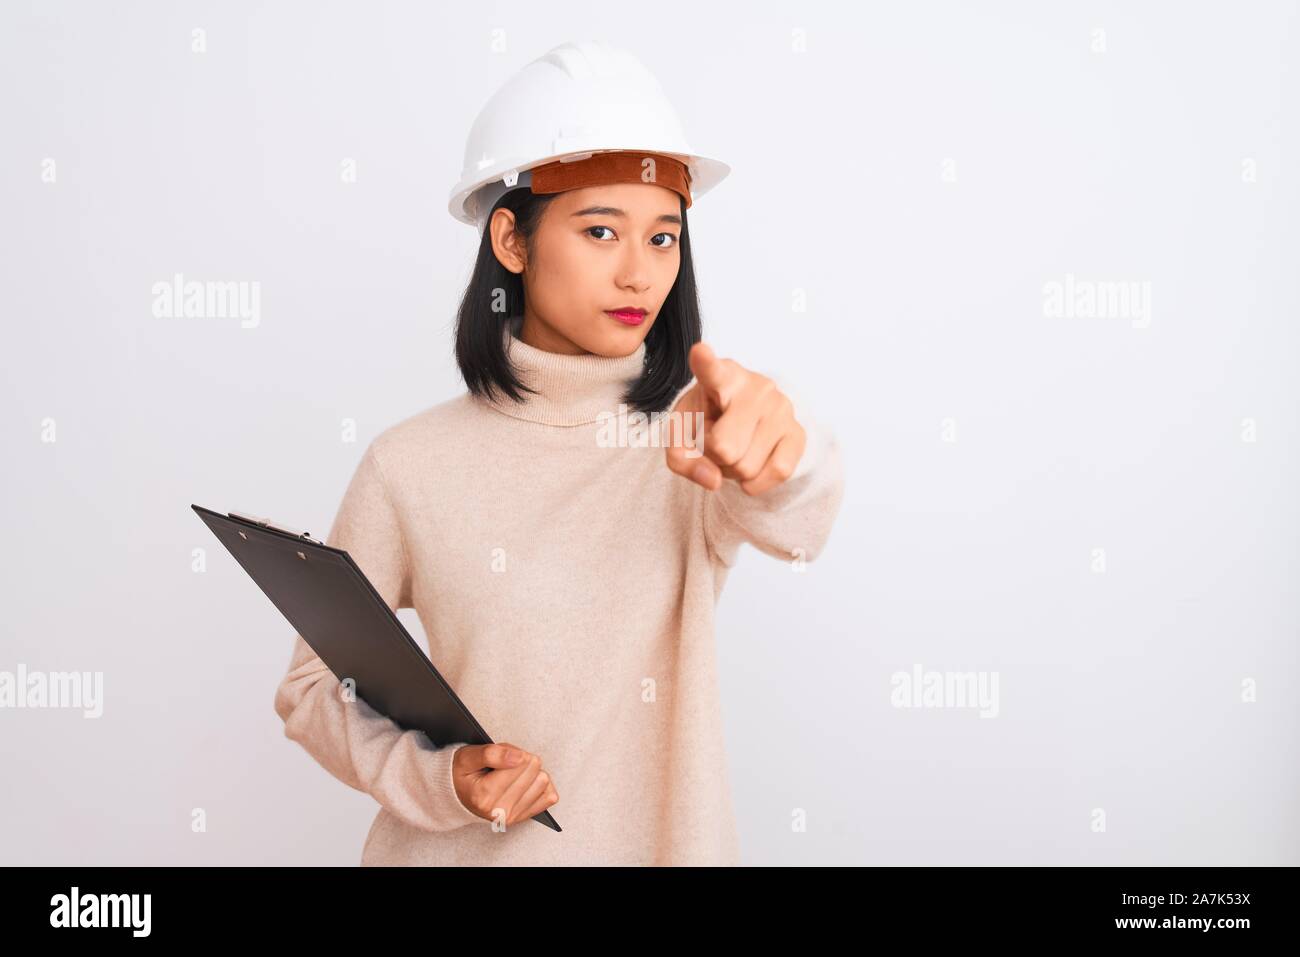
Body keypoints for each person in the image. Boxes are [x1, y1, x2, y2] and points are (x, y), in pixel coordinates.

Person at [272, 40, 846, 866]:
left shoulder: (692, 437)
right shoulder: (409, 464)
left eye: (662, 237)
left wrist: (786, 454)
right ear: (511, 240)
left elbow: (800, 520)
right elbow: (312, 689)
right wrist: (444, 778)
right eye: (600, 229)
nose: (638, 274)